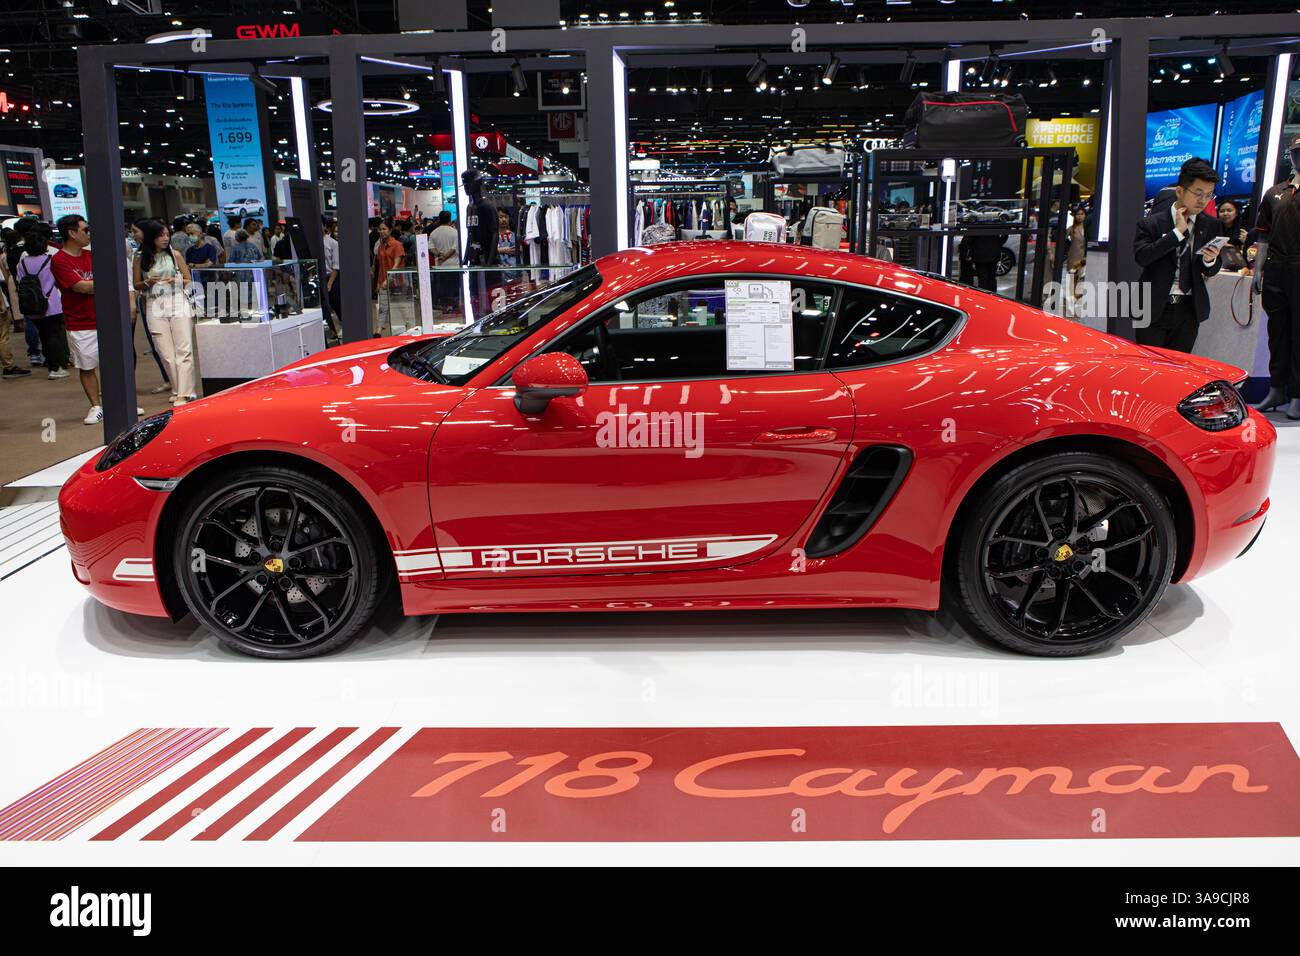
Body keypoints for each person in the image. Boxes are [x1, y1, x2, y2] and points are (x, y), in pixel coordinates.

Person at [1132, 158, 1224, 353]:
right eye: (1198, 193)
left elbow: (1212, 268)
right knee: (1150, 369)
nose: (1203, 200)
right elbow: (1142, 257)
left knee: (1180, 371)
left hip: (1189, 310)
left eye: (1209, 195)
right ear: (1180, 191)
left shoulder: (1210, 225)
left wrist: (1210, 260)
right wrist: (1175, 234)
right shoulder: (1152, 223)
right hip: (1153, 306)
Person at [1253, 134, 1300, 418]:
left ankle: (1297, 393)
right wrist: (1258, 268)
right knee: (1277, 331)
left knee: (1298, 332)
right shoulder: (1274, 193)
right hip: (1276, 268)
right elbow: (1263, 236)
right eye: (1295, 152)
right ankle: (1277, 387)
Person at [50, 215, 107, 424]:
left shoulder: (91, 255)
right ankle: (96, 406)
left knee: (113, 363)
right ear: (72, 233)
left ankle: (118, 402)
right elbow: (79, 287)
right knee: (87, 365)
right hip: (80, 321)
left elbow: (89, 284)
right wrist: (103, 282)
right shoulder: (59, 260)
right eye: (85, 230)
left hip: (104, 318)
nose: (88, 234)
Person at [134, 219, 196, 407]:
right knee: (165, 352)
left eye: (167, 235)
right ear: (151, 237)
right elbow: (136, 284)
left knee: (183, 348)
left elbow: (188, 279)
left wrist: (174, 280)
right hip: (154, 304)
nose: (165, 238)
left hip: (177, 300)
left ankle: (186, 393)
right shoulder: (139, 258)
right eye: (161, 235)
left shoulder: (175, 255)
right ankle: (178, 389)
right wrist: (148, 282)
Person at [15, 225, 69, 380]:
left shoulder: (22, 263)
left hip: (32, 305)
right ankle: (56, 367)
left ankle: (50, 363)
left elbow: (20, 281)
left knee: (44, 336)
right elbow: (59, 281)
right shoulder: (51, 261)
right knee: (54, 335)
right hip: (52, 303)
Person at [371, 219, 405, 334]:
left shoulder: (397, 245)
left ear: (390, 230)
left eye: (384, 229)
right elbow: (380, 266)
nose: (382, 232)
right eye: (380, 229)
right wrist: (378, 283)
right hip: (383, 282)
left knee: (402, 307)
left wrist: (387, 279)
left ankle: (409, 327)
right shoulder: (380, 246)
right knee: (383, 308)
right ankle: (378, 332)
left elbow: (396, 264)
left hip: (397, 283)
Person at [429, 210, 460, 313]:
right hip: (454, 265)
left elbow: (431, 248)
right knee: (454, 287)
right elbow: (455, 248)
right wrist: (446, 256)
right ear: (450, 219)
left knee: (442, 287)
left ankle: (444, 306)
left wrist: (439, 255)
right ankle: (454, 306)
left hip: (440, 266)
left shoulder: (434, 233)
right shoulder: (454, 232)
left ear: (439, 219)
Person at [321, 216, 341, 341]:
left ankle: (341, 328)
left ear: (325, 227)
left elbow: (336, 266)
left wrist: (329, 283)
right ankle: (331, 331)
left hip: (332, 279)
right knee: (323, 308)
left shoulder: (333, 243)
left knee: (336, 304)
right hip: (319, 279)